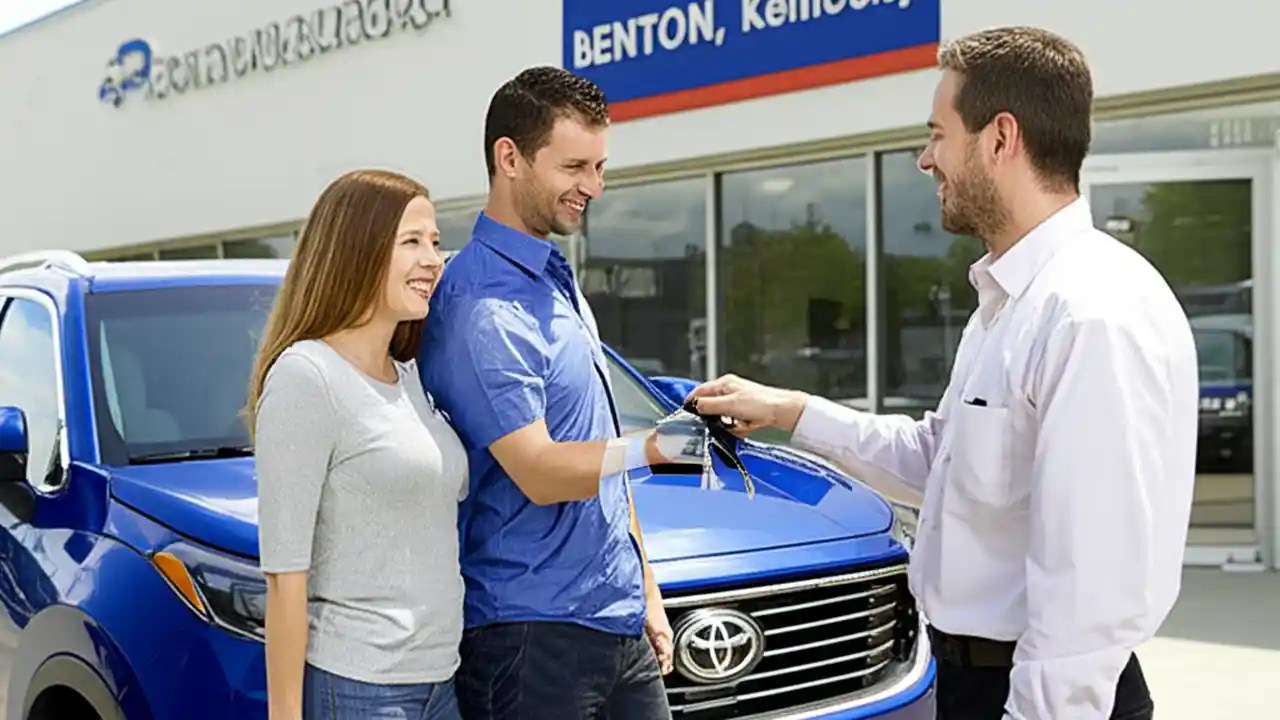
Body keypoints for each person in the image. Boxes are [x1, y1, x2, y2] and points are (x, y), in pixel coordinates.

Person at [686, 26, 1197, 720]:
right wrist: (791, 411)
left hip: (1038, 697)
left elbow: (1090, 592)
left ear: (999, 139)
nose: (926, 160)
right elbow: (943, 463)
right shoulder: (1007, 303)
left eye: (937, 134)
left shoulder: (1089, 313)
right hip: (971, 682)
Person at [418, 67, 697, 719]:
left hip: (615, 620)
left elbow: (597, 451)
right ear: (508, 157)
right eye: (575, 166)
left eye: (600, 167)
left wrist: (647, 589)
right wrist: (664, 445)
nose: (593, 188)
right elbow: (541, 472)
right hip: (530, 639)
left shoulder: (553, 280)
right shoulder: (480, 307)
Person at [249, 169, 467, 720]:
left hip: (440, 681)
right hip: (359, 689)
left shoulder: (410, 377)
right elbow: (284, 576)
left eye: (436, 243)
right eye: (412, 242)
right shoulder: (307, 376)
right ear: (358, 249)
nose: (433, 260)